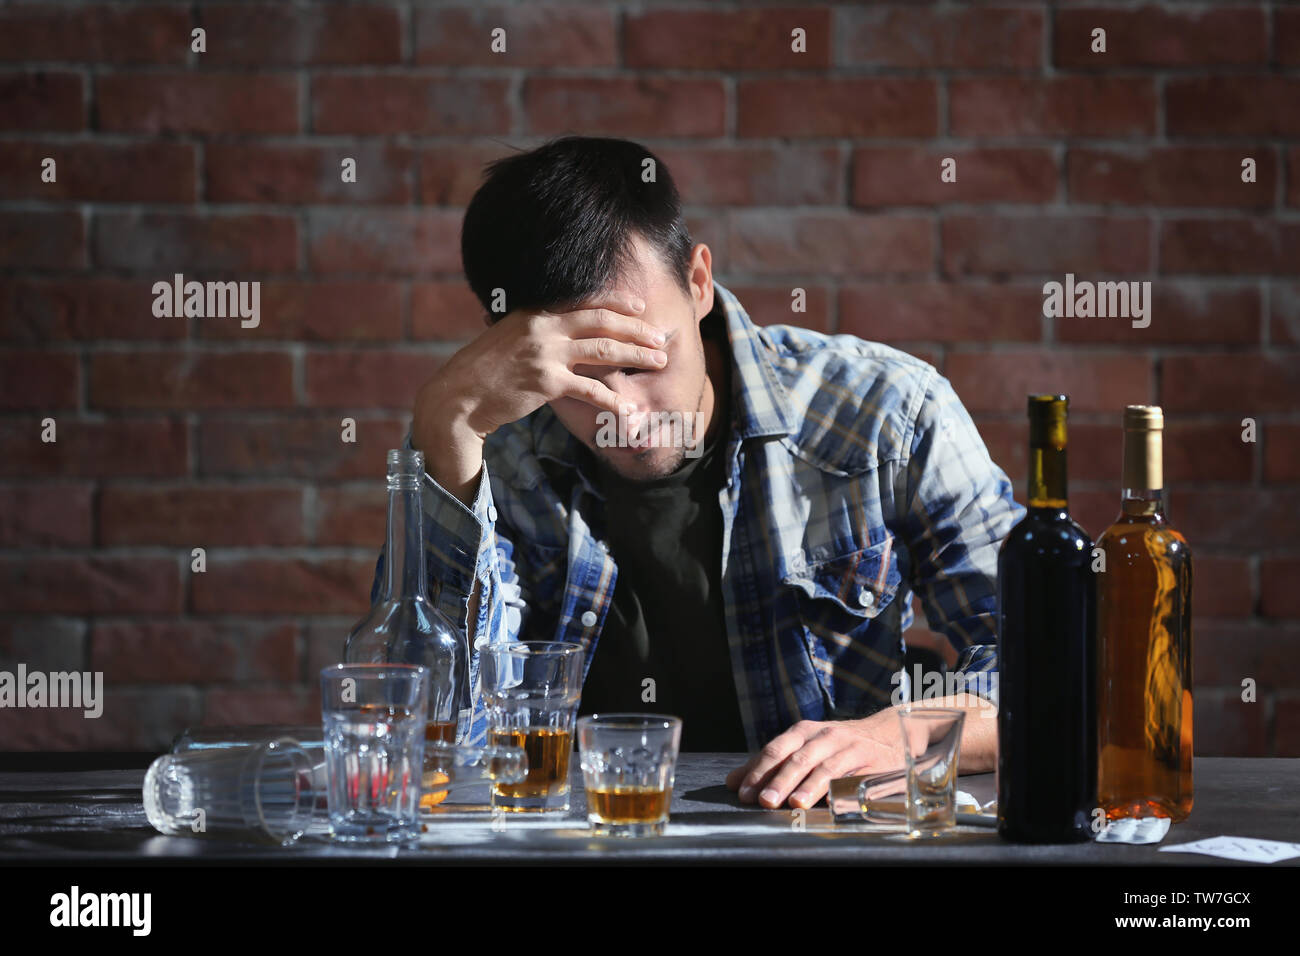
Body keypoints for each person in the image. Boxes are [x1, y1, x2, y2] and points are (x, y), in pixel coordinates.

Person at [374, 136, 1024, 810]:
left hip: (824, 842)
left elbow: (1053, 669)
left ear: (698, 282)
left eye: (641, 361)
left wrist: (899, 737)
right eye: (578, 381)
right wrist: (444, 427)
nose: (623, 414)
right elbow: (424, 742)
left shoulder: (886, 415)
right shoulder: (487, 448)